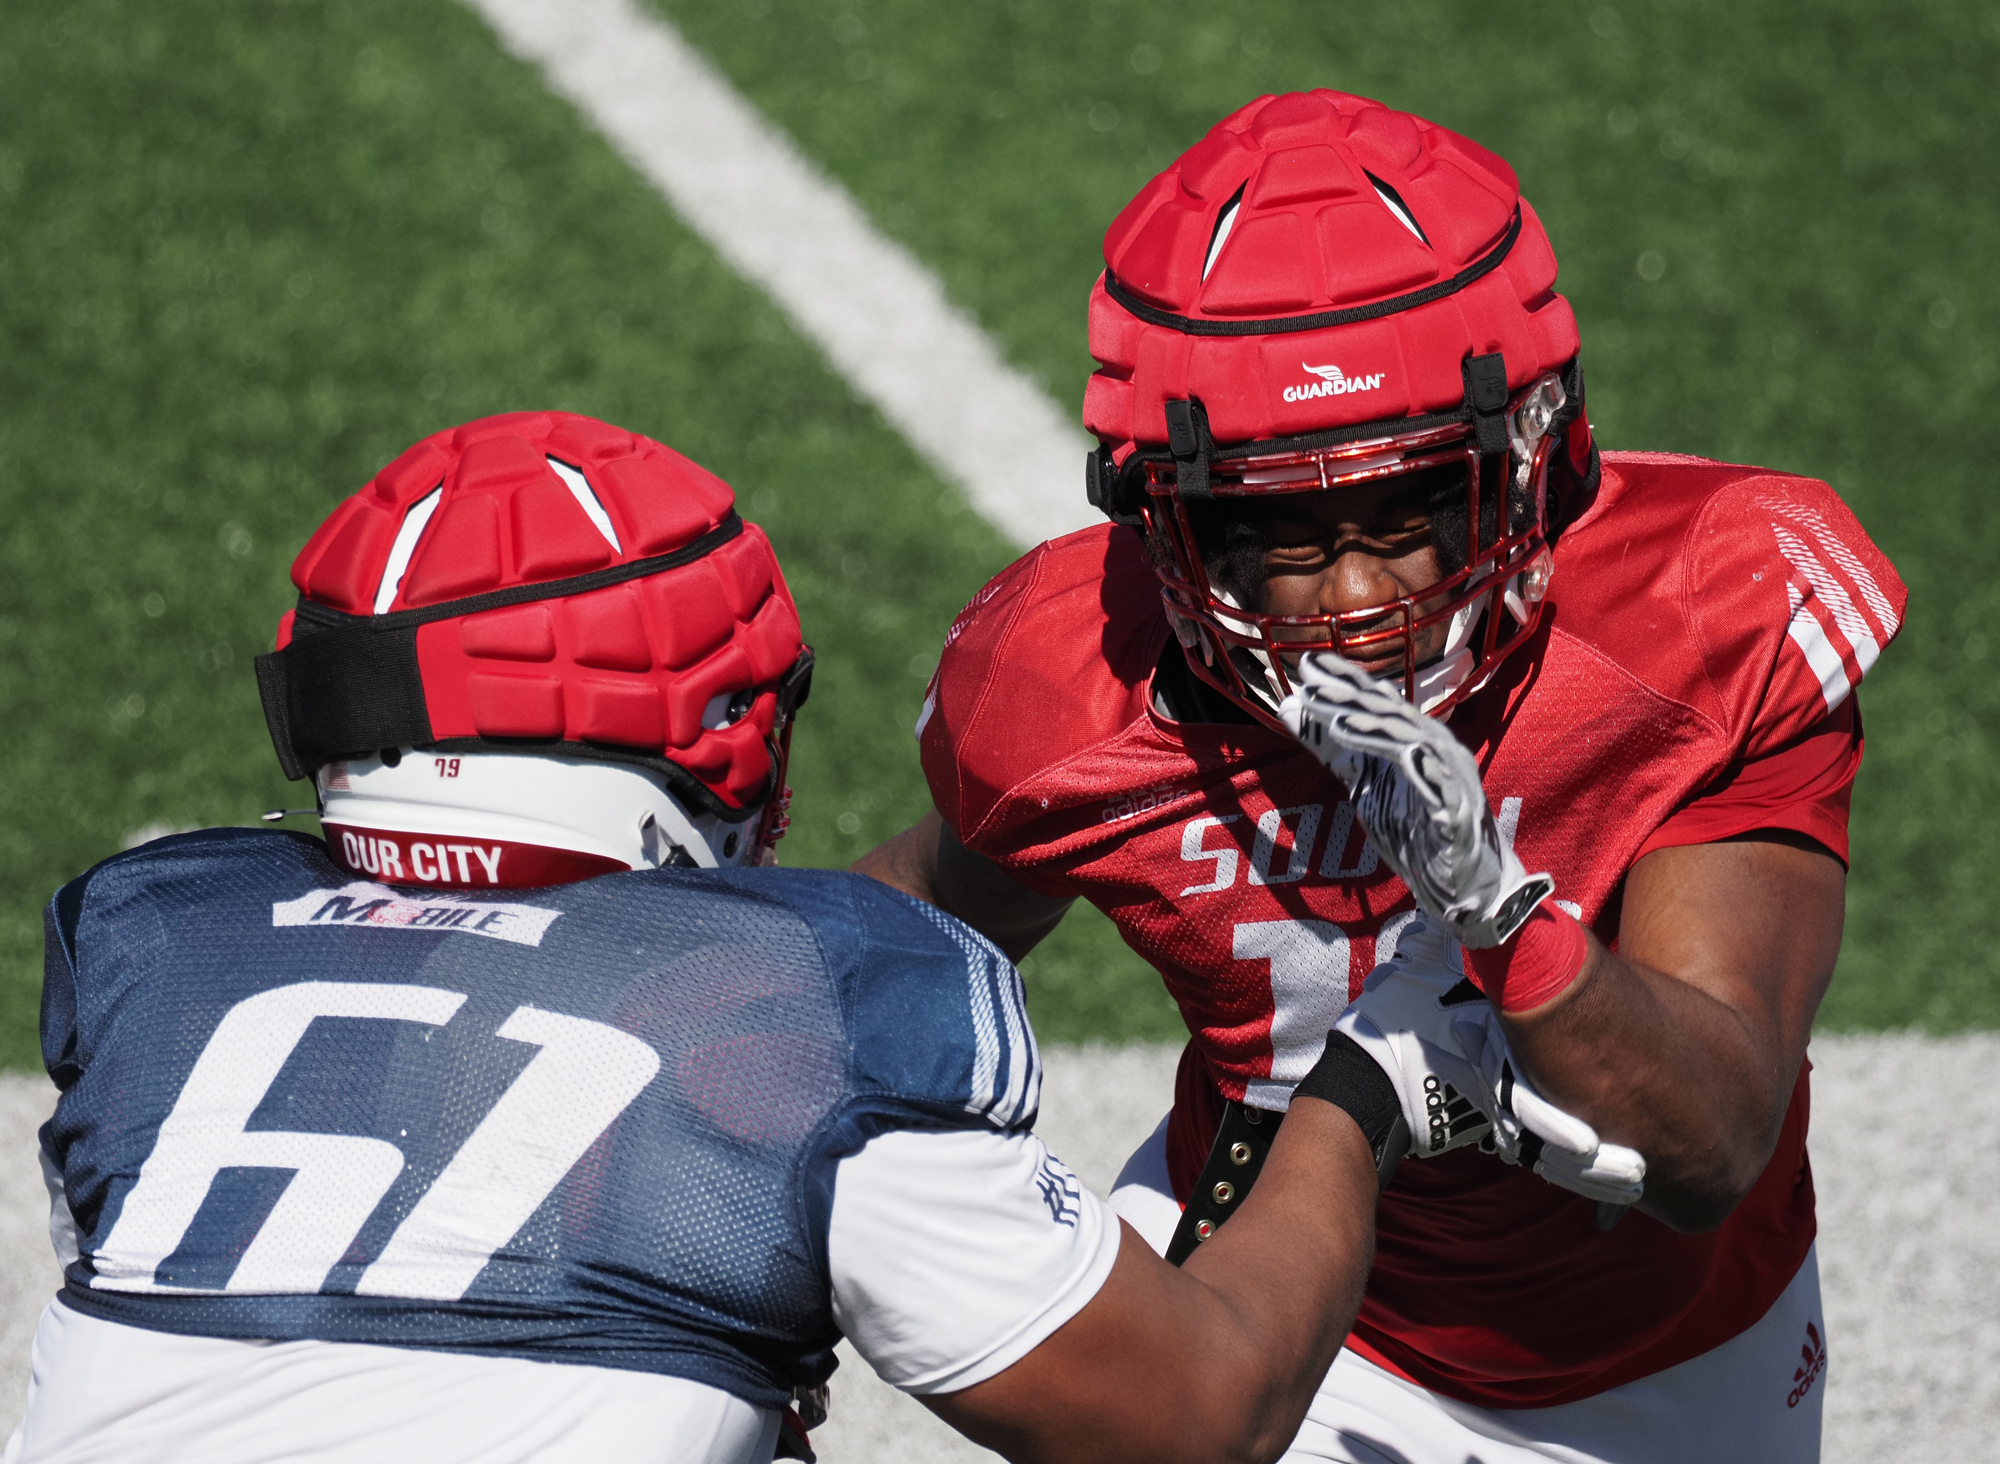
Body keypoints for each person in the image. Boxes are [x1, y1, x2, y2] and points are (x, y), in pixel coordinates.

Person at [11, 411, 1424, 1464]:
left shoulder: (151, 938)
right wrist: (1361, 1088)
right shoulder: (815, 1013)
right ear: (702, 729)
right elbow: (1197, 1414)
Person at [859, 90, 1905, 1462]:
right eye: (1279, 532)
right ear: (1163, 514)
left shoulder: (1703, 610)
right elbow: (889, 944)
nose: (1355, 599)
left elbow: (1706, 1143)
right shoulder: (1073, 682)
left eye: (1411, 507)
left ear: (1534, 454)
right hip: (1275, 1295)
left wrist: (1504, 925)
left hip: (1666, 1358)